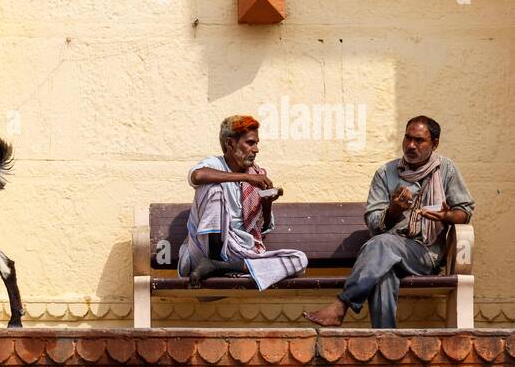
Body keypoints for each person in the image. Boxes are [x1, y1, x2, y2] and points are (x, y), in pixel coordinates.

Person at [304, 115, 474, 329]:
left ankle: (342, 304)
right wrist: (393, 210)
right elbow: (374, 222)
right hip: (384, 253)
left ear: (435, 144)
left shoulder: (446, 170)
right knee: (383, 274)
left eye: (419, 140)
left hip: (424, 254)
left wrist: (446, 216)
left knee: (382, 244)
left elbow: (464, 211)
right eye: (407, 138)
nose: (411, 145)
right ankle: (385, 341)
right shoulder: (386, 173)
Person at [177, 115, 308, 289]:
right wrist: (246, 177)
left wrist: (267, 204)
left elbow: (262, 231)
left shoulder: (257, 173)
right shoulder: (215, 164)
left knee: (299, 259)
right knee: (213, 189)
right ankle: (213, 261)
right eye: (250, 143)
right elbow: (197, 176)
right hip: (203, 252)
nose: (256, 149)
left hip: (240, 253)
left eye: (256, 143)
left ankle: (220, 268)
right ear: (230, 144)